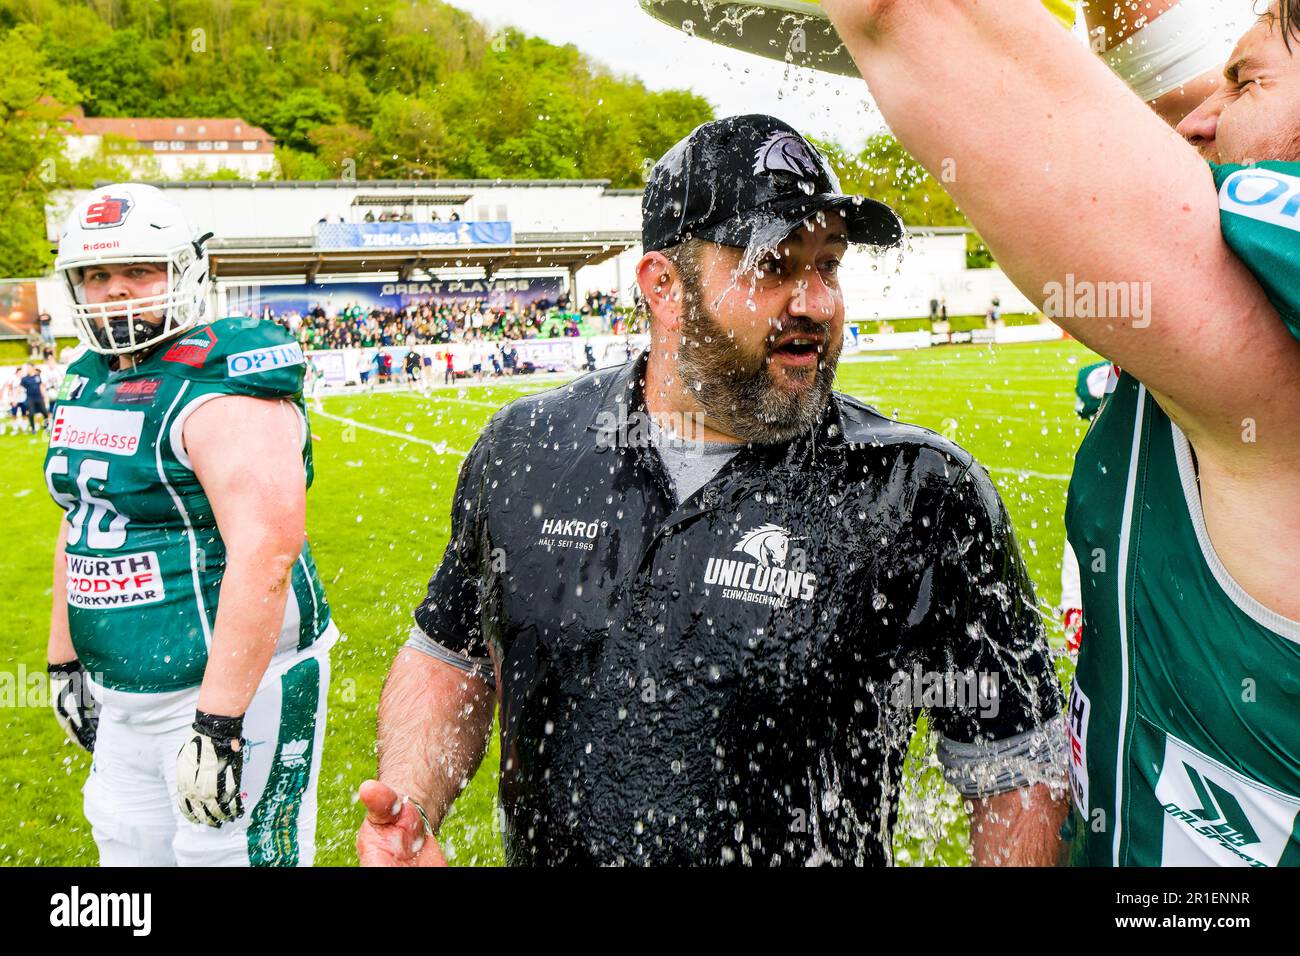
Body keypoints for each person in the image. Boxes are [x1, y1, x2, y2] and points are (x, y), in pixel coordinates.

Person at [356, 116, 1067, 867]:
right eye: (773, 267)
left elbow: (1018, 768)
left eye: (828, 265)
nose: (816, 305)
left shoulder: (919, 491)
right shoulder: (527, 447)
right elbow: (451, 657)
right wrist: (412, 805)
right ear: (663, 286)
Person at [821, 0, 1300, 866]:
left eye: (1245, 78)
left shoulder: (1267, 363)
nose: (1198, 116)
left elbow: (902, 12)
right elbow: (1151, 124)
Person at [45, 183, 336, 866]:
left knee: (230, 858)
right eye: (97, 275)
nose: (115, 291)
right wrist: (64, 659)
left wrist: (219, 721)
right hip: (126, 700)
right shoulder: (87, 379)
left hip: (230, 689)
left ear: (183, 270)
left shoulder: (222, 381)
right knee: (126, 854)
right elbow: (79, 521)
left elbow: (266, 554)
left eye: (138, 270)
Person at [18, 362, 48, 433]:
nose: (27, 369)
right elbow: (20, 388)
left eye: (29, 367)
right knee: (31, 413)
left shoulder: (37, 377)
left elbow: (41, 387)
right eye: (27, 368)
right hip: (30, 398)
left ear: (32, 368)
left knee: (45, 412)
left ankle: (46, 427)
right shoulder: (24, 379)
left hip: (39, 398)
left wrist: (44, 396)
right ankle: (33, 428)